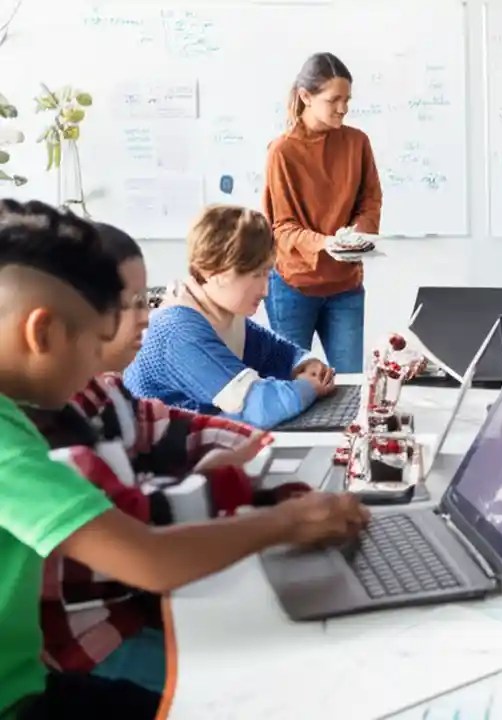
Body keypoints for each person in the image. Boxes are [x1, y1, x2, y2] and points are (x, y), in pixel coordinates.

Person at [0, 200, 368, 719]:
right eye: (96, 338)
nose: (105, 369)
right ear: (43, 334)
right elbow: (147, 558)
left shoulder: (19, 415)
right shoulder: (15, 443)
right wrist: (283, 522)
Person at [124, 205, 336, 429]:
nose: (265, 290)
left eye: (267, 273)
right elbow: (260, 407)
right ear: (216, 272)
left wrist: (304, 364)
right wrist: (308, 387)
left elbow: (276, 353)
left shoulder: (221, 313)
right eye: (256, 275)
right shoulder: (178, 331)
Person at [263, 52, 382, 373]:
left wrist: (356, 235)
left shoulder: (358, 143)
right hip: (293, 285)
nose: (343, 108)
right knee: (292, 383)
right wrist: (326, 243)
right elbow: (282, 227)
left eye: (347, 99)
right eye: (334, 100)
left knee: (351, 383)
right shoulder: (282, 151)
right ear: (306, 97)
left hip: (345, 285)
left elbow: (370, 201)